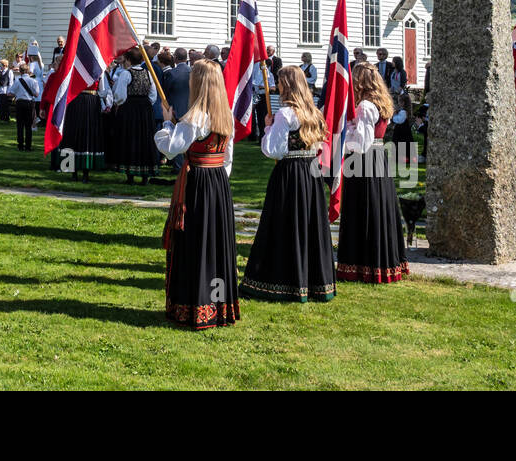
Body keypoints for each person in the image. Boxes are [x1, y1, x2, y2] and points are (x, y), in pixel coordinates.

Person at [154, 59, 239, 329]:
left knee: (196, 243)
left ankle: (193, 305)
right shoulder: (225, 116)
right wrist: (217, 180)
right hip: (217, 183)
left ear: (198, 83)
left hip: (199, 183)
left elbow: (170, 148)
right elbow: (227, 160)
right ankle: (218, 306)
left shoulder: (194, 118)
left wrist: (167, 123)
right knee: (216, 242)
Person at [241, 65, 334, 303]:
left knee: (285, 222)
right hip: (310, 173)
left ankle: (283, 281)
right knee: (308, 223)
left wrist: (268, 126)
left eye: (281, 82)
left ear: (287, 85)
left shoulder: (285, 114)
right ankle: (313, 282)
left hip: (290, 172)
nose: (278, 86)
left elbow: (274, 149)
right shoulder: (314, 113)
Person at [335, 61, 407, 284]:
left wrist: (342, 139)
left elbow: (361, 142)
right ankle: (379, 262)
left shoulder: (365, 106)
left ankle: (363, 264)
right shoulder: (380, 102)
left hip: (364, 160)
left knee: (365, 208)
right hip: (377, 158)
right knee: (377, 207)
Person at [111, 46, 159, 184]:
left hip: (130, 110)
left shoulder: (126, 74)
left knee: (130, 138)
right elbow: (153, 95)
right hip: (145, 110)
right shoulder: (148, 73)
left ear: (128, 59)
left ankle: (130, 176)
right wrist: (145, 104)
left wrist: (121, 104)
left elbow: (120, 95)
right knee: (145, 139)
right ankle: (145, 176)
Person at [12, 62, 42, 153]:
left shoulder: (17, 81)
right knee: (28, 125)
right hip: (29, 103)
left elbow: (10, 92)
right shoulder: (33, 81)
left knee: (20, 125)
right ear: (28, 71)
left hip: (20, 102)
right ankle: (28, 146)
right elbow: (36, 94)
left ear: (20, 72)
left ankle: (20, 145)